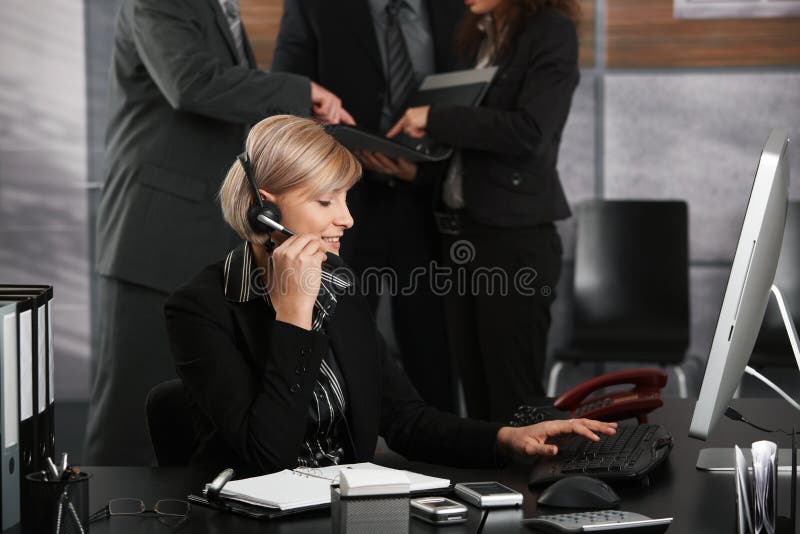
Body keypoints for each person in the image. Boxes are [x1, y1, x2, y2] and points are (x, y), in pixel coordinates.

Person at [164, 115, 615, 475]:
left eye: (346, 199)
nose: (347, 219)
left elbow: (405, 419)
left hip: (349, 514)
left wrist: (505, 438)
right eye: (325, 202)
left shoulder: (336, 281)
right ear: (266, 208)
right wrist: (294, 317)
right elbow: (268, 460)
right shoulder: (200, 308)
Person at [85, 0, 354, 465]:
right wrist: (297, 90)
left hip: (202, 234)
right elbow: (191, 83)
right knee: (131, 413)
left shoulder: (218, 9)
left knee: (200, 411)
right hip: (158, 237)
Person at [387, 0, 580, 421]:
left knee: (515, 397)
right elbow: (470, 155)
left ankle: (528, 488)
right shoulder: (479, 35)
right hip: (462, 237)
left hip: (515, 239)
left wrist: (436, 117)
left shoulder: (551, 32)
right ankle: (492, 489)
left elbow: (530, 132)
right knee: (475, 394)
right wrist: (413, 173)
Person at [270, 0, 466, 412]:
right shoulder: (312, 7)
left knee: (434, 343)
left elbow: (471, 101)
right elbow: (287, 93)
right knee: (339, 332)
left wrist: (426, 167)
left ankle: (445, 455)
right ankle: (336, 444)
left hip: (426, 200)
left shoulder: (457, 7)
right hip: (340, 201)